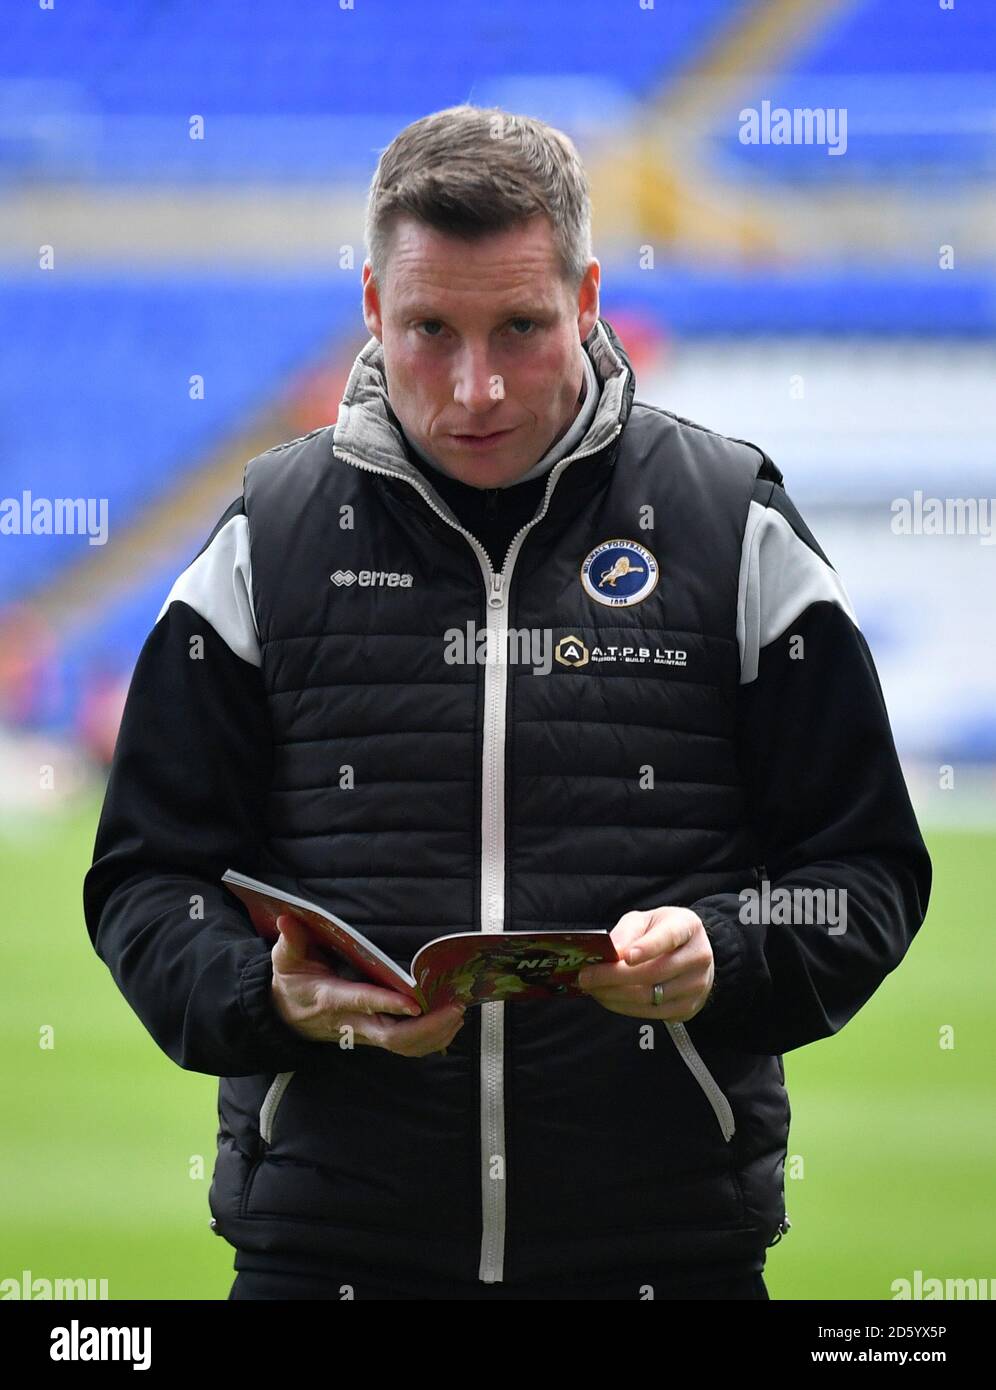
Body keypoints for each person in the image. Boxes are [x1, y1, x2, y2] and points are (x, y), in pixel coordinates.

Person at [82, 105, 932, 1301]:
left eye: (522, 328)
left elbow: (867, 870)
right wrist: (263, 995)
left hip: (664, 1251)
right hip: (328, 1250)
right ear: (374, 310)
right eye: (431, 329)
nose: (474, 388)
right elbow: (145, 879)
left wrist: (728, 955)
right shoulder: (265, 538)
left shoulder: (730, 522)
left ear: (586, 299)